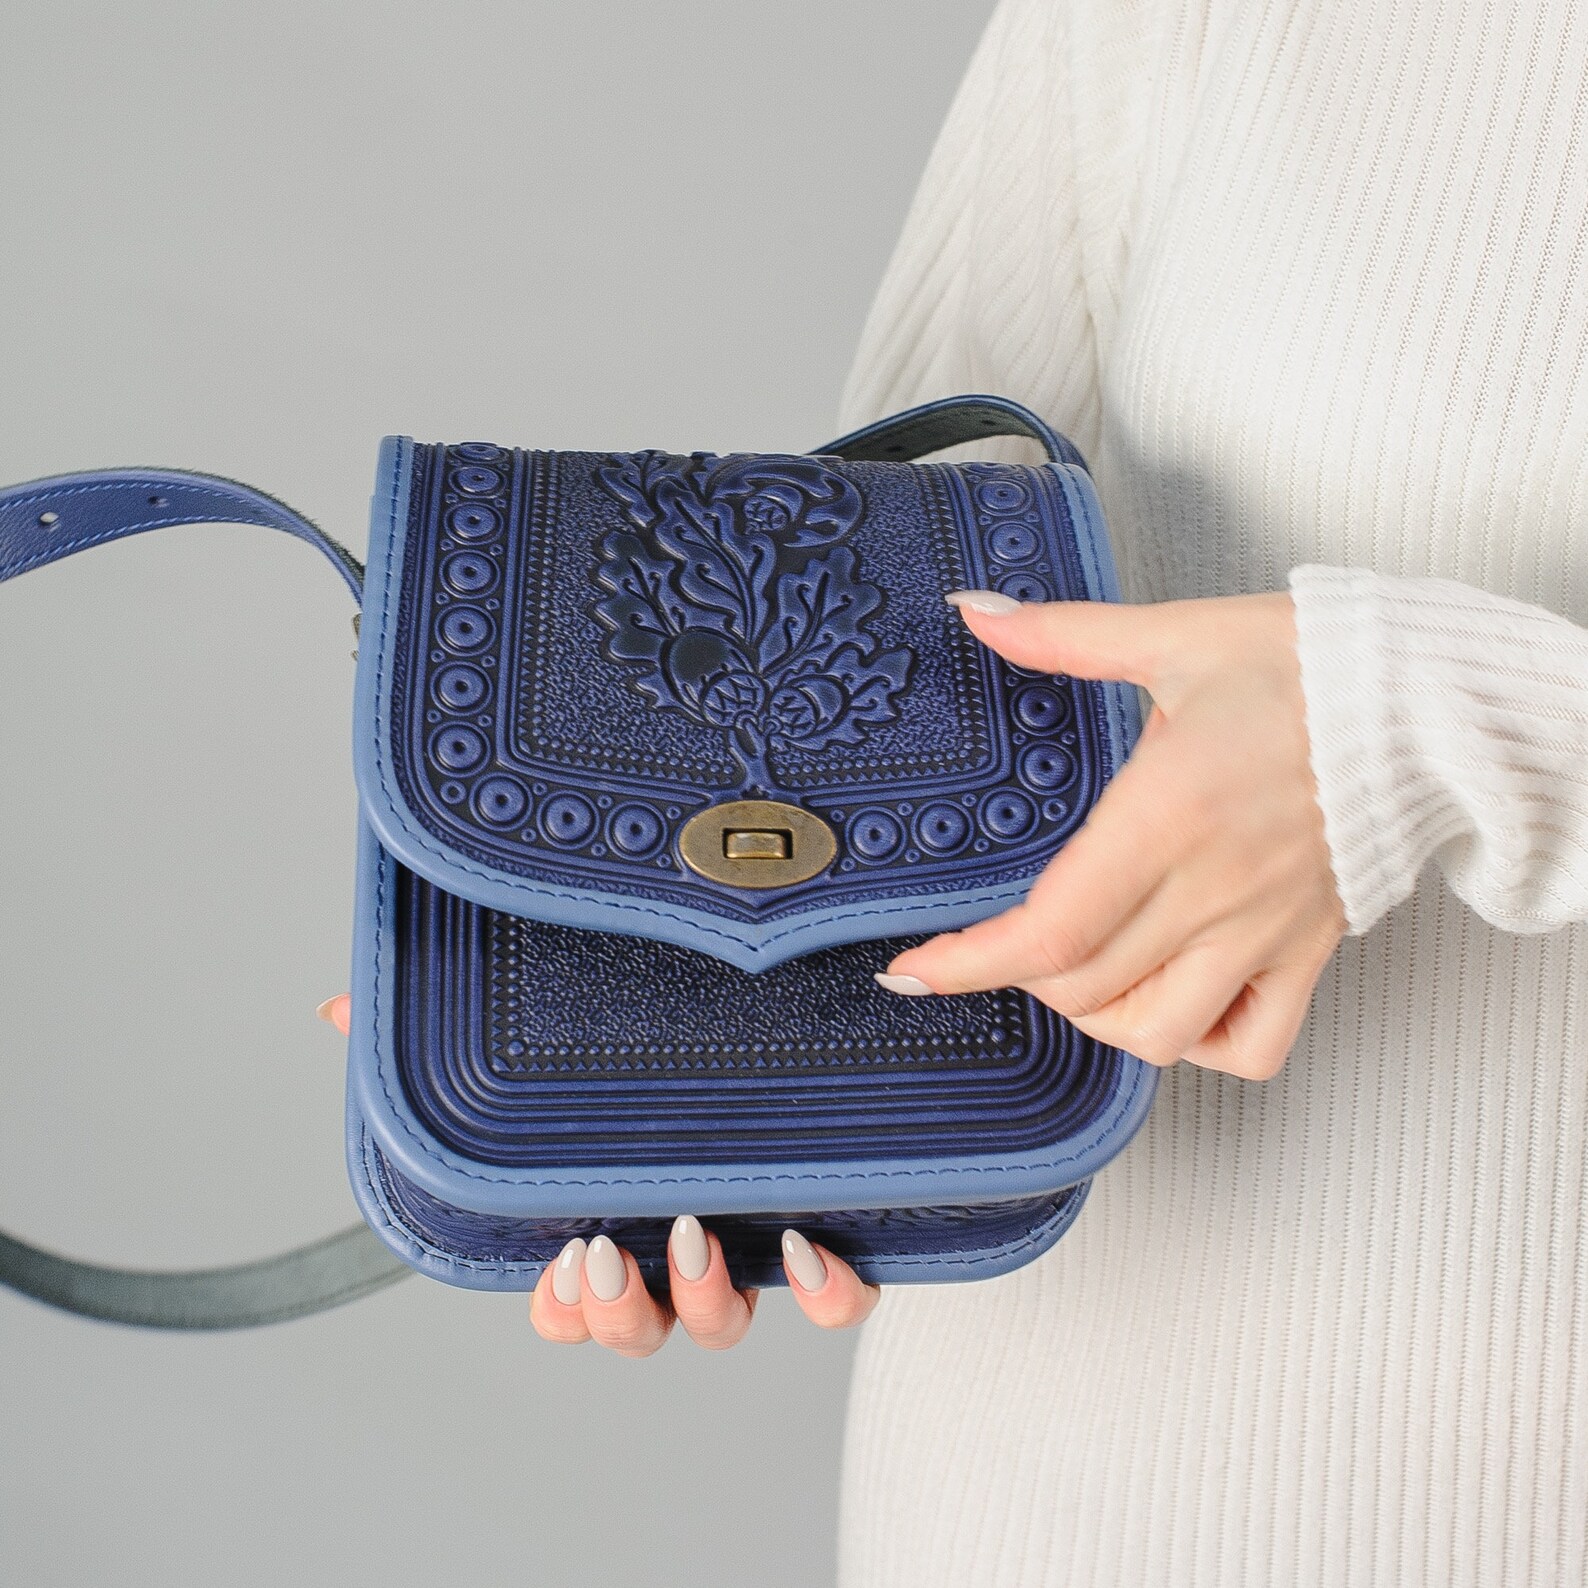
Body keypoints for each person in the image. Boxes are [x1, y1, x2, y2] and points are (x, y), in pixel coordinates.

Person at [323, 0, 1588, 1578]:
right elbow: (878, 546)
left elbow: (1402, 715)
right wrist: (635, 1005)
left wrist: (1423, 721)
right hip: (1044, 1458)